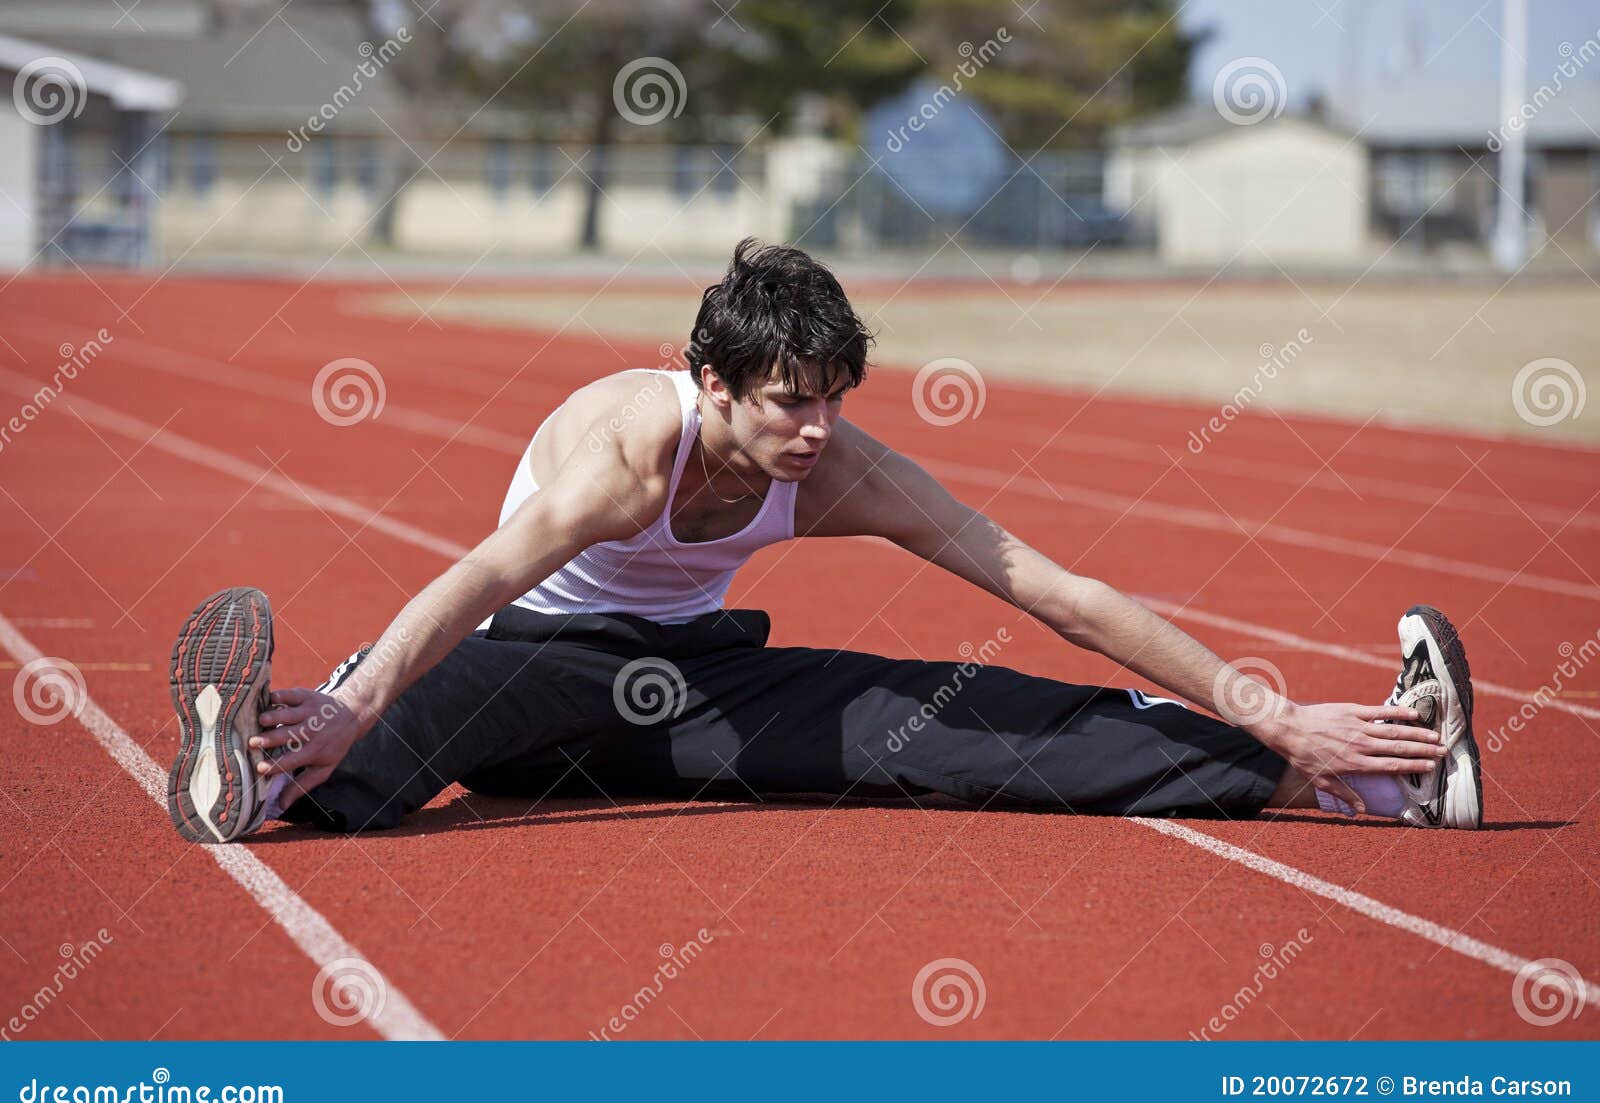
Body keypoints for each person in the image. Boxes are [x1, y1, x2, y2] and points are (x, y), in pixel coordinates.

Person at [164, 239, 1482, 844]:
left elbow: (1056, 593)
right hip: (545, 654)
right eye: (793, 401)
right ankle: (274, 767)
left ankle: (1373, 777)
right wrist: (358, 699)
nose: (818, 430)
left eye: (834, 398)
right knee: (442, 703)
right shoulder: (632, 450)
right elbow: (481, 580)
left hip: (694, 678)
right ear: (716, 385)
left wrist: (1281, 715)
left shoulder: (838, 466)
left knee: (959, 724)